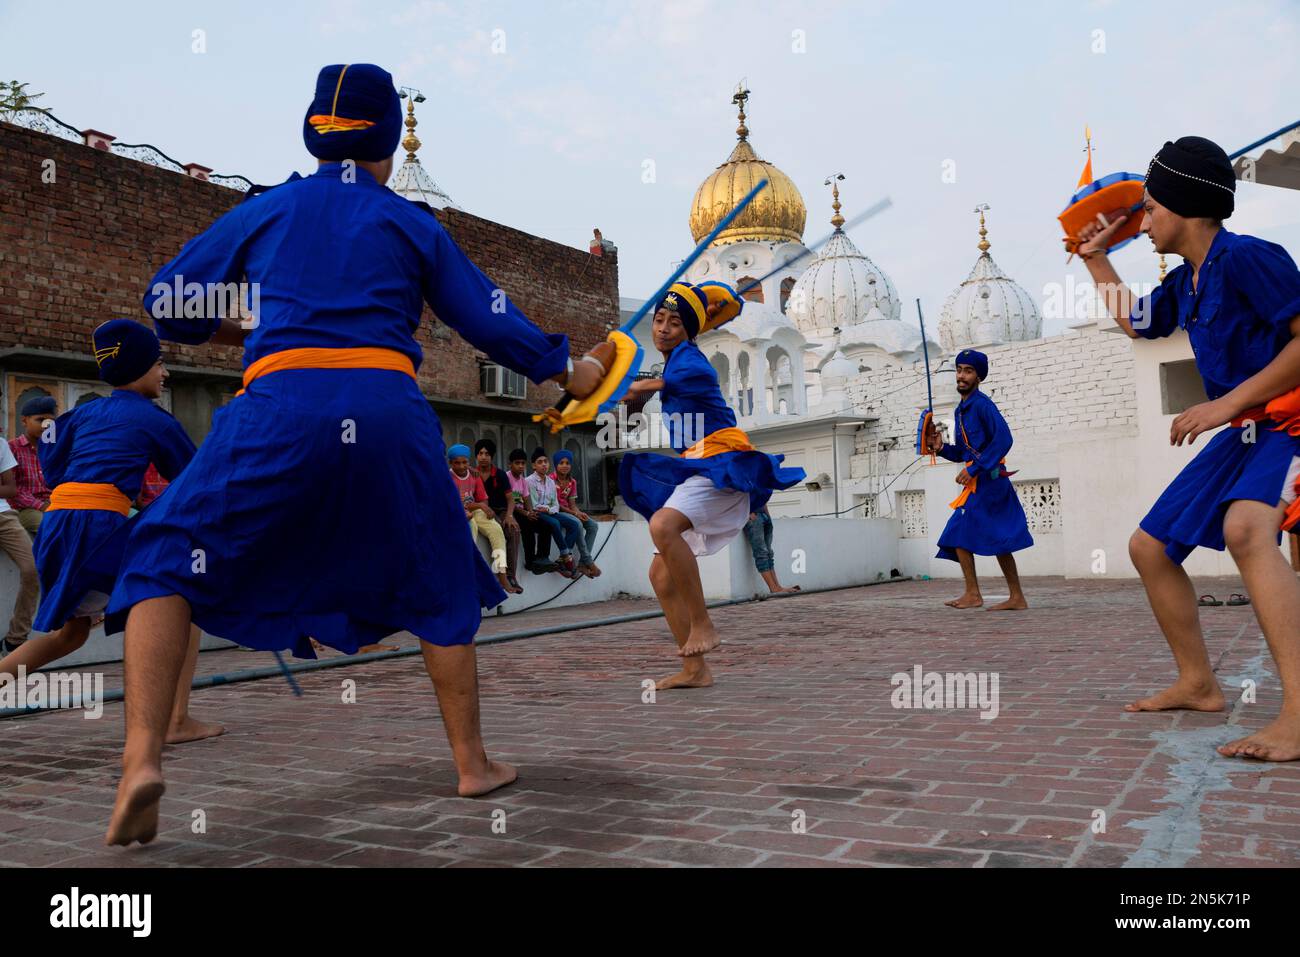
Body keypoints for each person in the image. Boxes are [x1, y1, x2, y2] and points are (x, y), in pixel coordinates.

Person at [103, 63, 607, 846]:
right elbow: (490, 318)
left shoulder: (267, 210)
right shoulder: (412, 225)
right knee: (440, 572)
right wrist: (571, 369)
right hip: (386, 407)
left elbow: (166, 300)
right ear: (384, 140)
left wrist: (242, 323)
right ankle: (472, 764)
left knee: (162, 558)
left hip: (277, 403)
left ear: (313, 133)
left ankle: (140, 760)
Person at [1077, 135, 1300, 761]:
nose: (1143, 223)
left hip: (1290, 419)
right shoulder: (1187, 282)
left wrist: (1224, 405)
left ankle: (1299, 716)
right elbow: (1139, 322)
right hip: (1245, 431)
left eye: (1150, 209)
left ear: (1184, 206)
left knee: (1247, 531)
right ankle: (1199, 683)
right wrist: (1095, 258)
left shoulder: (1252, 258)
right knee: (1149, 546)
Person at [0, 321, 220, 749]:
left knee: (72, 633)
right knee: (181, 604)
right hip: (97, 525)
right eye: (159, 363)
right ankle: (174, 719)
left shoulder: (77, 415)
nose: (166, 373)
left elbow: (56, 465)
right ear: (139, 367)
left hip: (58, 523)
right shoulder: (155, 420)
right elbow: (193, 481)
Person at [620, 282, 804, 690]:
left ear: (689, 330)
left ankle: (703, 624)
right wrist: (629, 395)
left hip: (720, 463)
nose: (664, 329)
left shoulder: (690, 362)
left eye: (674, 323)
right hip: (698, 467)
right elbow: (657, 389)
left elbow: (670, 383)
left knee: (663, 526)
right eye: (659, 321)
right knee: (661, 578)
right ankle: (695, 670)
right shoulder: (672, 363)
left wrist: (637, 386)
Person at [927, 349, 1033, 610]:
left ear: (978, 376)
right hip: (981, 483)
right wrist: (941, 448)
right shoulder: (961, 410)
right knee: (993, 539)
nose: (962, 376)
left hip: (991, 482)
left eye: (968, 371)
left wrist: (975, 469)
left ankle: (976, 595)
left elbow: (1004, 439)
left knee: (959, 532)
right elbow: (964, 452)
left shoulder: (983, 405)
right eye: (959, 370)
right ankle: (1012, 597)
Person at [448, 443, 512, 594]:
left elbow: (483, 499)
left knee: (496, 529)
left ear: (469, 461)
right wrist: (479, 507)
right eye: (457, 463)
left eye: (465, 462)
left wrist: (480, 507)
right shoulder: (448, 478)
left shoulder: (474, 475)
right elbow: (454, 504)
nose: (462, 466)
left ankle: (502, 574)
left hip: (474, 510)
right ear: (451, 463)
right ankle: (469, 574)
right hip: (457, 513)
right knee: (472, 527)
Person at [0, 419, 39, 656]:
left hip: (4, 515)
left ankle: (16, 637)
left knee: (32, 568)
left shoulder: (1, 444)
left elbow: (10, 489)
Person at [475, 438, 522, 593]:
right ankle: (500, 575)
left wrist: (509, 516)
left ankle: (510, 575)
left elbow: (511, 499)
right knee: (497, 531)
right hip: (482, 512)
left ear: (492, 456)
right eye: (480, 453)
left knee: (513, 530)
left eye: (487, 454)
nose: (483, 457)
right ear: (476, 456)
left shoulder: (500, 474)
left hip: (501, 510)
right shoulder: (472, 474)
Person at [9, 395, 56, 537]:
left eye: (51, 421)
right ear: (24, 420)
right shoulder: (12, 448)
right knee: (48, 527)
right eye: (40, 420)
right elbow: (13, 489)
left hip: (53, 503)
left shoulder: (54, 450)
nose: (46, 425)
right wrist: (41, 505)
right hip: (25, 508)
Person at [526, 448, 576, 577]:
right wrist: (545, 509)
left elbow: (555, 504)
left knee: (574, 525)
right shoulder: (529, 481)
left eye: (545, 461)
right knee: (554, 523)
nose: (543, 464)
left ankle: (562, 557)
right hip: (538, 513)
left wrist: (549, 509)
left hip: (550, 512)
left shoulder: (550, 482)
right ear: (534, 465)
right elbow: (533, 504)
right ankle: (566, 555)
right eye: (540, 462)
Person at [553, 449, 600, 578]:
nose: (564, 465)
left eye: (567, 463)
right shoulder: (550, 480)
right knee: (577, 523)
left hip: (569, 511)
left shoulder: (572, 482)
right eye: (561, 463)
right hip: (557, 511)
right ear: (556, 465)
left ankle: (582, 564)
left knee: (592, 525)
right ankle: (588, 561)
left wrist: (579, 512)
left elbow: (572, 504)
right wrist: (575, 514)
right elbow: (556, 505)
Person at [508, 447, 554, 574]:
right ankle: (530, 562)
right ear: (510, 464)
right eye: (517, 463)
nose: (521, 466)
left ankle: (542, 558)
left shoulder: (522, 480)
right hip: (511, 513)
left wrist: (531, 512)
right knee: (527, 527)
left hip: (523, 512)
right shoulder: (507, 478)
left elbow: (526, 498)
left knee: (546, 525)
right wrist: (527, 513)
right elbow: (512, 503)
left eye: (523, 463)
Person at [742, 503, 799, 594]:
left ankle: (778, 587)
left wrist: (768, 515)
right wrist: (748, 513)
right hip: (753, 516)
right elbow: (737, 494)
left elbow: (763, 496)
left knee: (769, 553)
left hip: (764, 515)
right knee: (761, 553)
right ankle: (773, 588)